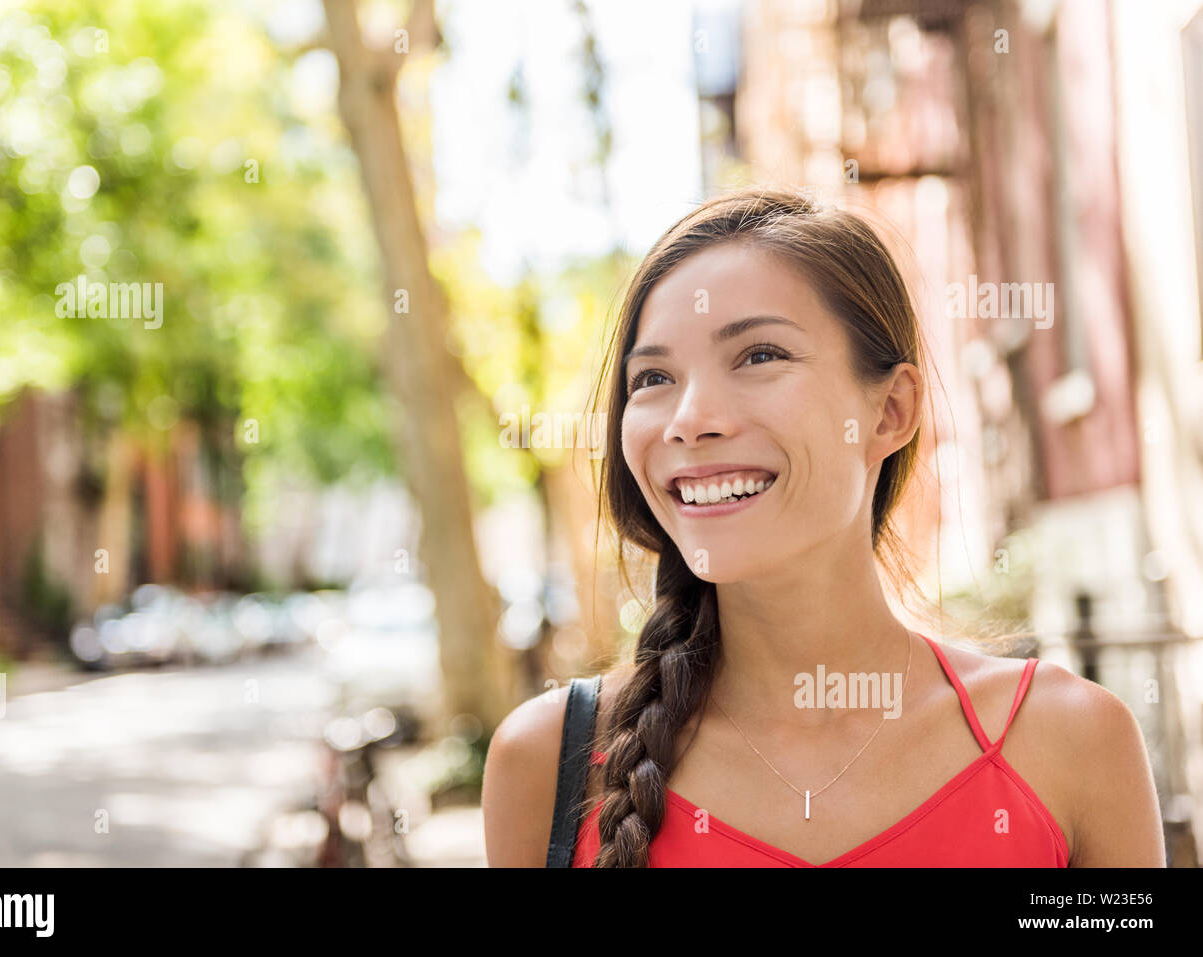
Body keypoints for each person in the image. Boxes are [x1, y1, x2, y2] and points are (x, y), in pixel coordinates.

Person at [481, 186, 1165, 867]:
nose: (689, 418)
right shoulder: (548, 763)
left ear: (891, 410)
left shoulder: (1069, 743)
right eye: (653, 376)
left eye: (759, 356)